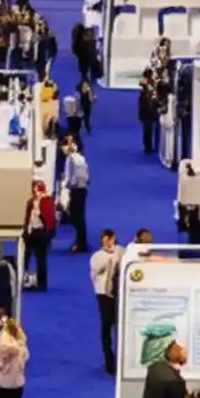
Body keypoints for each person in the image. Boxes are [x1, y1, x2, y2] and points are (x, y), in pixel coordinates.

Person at [90, 230, 123, 376]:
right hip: (103, 294)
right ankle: (109, 362)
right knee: (106, 327)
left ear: (113, 238)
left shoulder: (121, 252)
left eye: (108, 239)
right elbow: (95, 272)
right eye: (104, 240)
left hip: (118, 293)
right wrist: (107, 262)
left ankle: (121, 360)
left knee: (120, 327)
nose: (106, 242)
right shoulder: (97, 256)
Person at [22, 181, 56, 291]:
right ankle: (25, 280)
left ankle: (41, 284)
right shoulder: (31, 202)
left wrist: (48, 232)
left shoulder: (47, 201)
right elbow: (27, 218)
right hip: (31, 233)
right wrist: (25, 231)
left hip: (41, 233)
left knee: (41, 259)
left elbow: (49, 219)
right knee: (26, 257)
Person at [64, 142, 90, 253]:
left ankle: (81, 244)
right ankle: (80, 241)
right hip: (82, 189)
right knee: (78, 217)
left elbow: (73, 177)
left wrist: (67, 185)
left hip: (77, 190)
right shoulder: (80, 159)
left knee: (77, 217)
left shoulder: (72, 159)